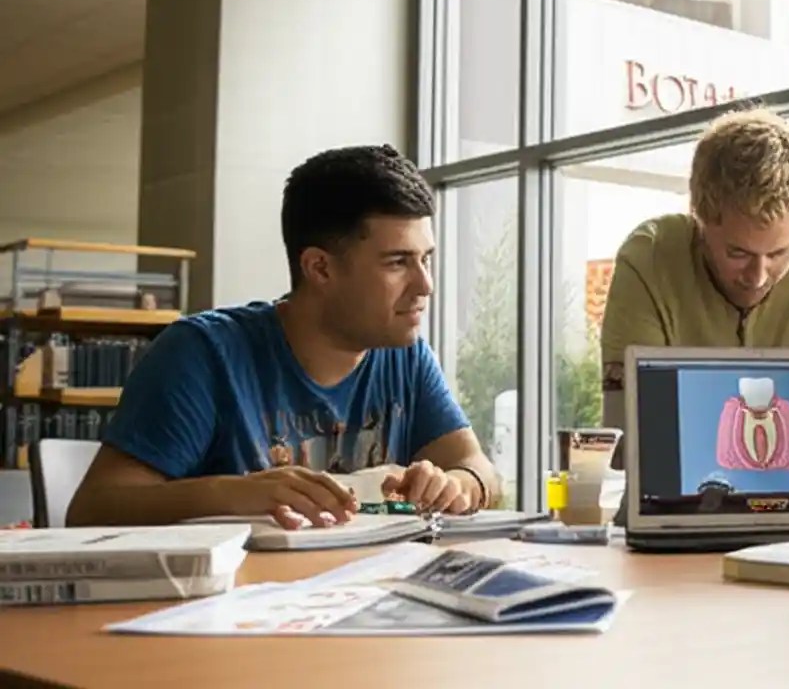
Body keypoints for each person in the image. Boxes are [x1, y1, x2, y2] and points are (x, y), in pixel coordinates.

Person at [66, 145, 501, 528]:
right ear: (320, 268)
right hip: (233, 612)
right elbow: (93, 509)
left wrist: (459, 484)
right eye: (397, 263)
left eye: (426, 258)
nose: (425, 285)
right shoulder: (202, 354)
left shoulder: (404, 355)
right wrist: (235, 494)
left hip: (361, 600)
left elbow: (478, 467)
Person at [600, 107, 789, 466]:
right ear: (699, 219)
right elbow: (630, 445)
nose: (758, 276)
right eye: (737, 252)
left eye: (780, 253)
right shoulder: (650, 259)